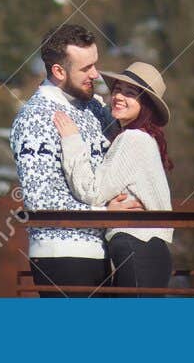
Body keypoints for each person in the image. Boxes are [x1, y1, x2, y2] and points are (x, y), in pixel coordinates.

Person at [9, 24, 140, 295]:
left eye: (95, 64)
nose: (96, 74)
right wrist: (106, 213)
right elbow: (41, 200)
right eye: (86, 68)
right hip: (62, 255)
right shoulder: (35, 117)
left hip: (102, 250)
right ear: (59, 71)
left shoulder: (94, 107)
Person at [53, 61, 174, 291]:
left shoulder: (133, 139)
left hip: (138, 247)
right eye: (118, 89)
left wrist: (71, 140)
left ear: (146, 105)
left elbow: (92, 192)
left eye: (130, 93)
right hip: (143, 248)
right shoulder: (139, 137)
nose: (119, 96)